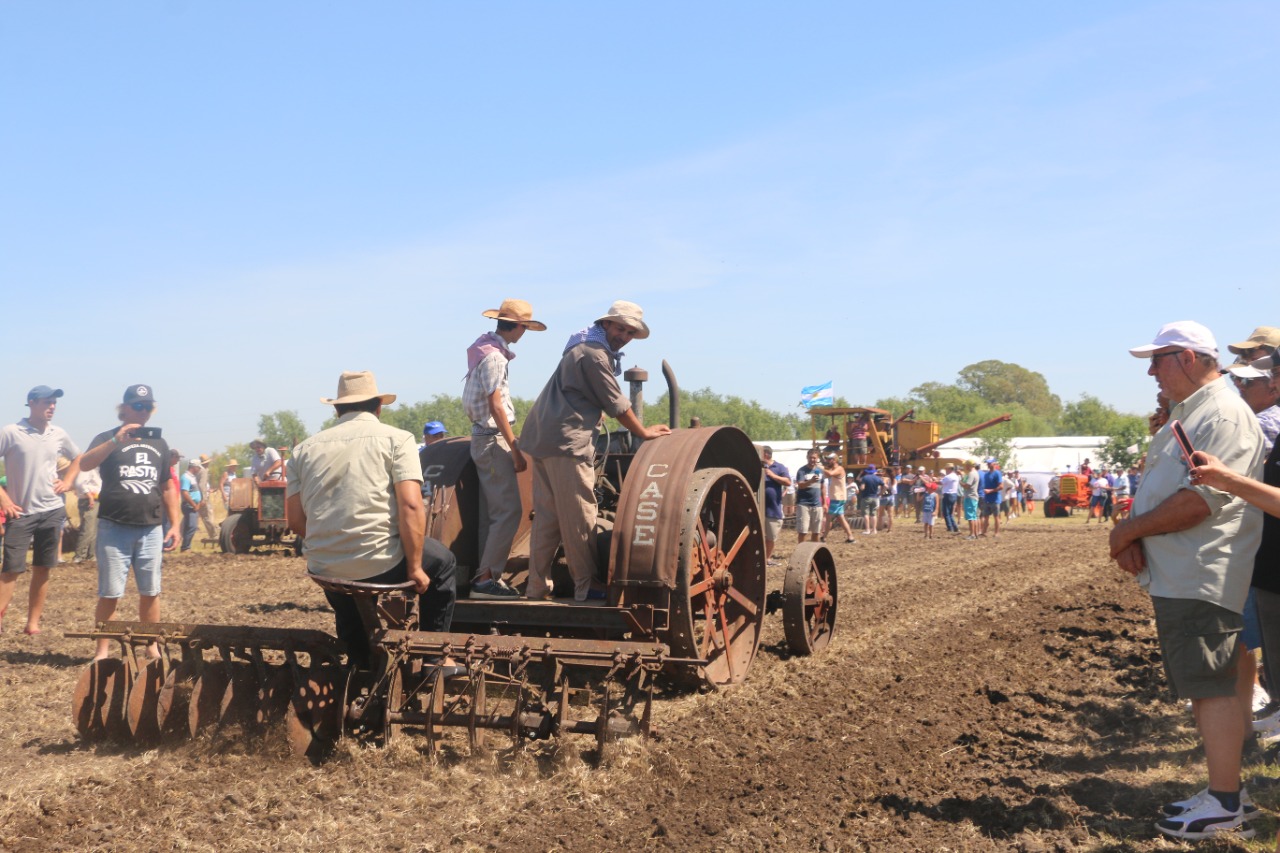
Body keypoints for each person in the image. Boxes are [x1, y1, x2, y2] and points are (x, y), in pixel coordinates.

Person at [1109, 321, 1265, 840]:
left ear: (1190, 358)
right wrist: (1136, 531)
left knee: (1210, 687)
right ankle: (1226, 793)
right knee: (1209, 683)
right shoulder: (1194, 411)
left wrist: (1130, 530)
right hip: (1185, 569)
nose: (1151, 371)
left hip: (1200, 571)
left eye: (1158, 359)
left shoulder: (1221, 414)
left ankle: (1225, 804)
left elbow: (1201, 501)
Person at [285, 371, 457, 669]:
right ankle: (434, 657)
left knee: (345, 593)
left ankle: (359, 661)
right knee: (442, 562)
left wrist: (333, 543)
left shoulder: (302, 450)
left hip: (324, 567)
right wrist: (415, 567)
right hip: (382, 563)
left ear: (337, 410)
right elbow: (411, 506)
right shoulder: (398, 440)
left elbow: (296, 521)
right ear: (378, 407)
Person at [520, 301, 671, 601]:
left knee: (548, 518)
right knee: (581, 513)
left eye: (630, 332)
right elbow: (617, 404)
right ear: (606, 324)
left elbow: (586, 394)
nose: (623, 336)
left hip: (543, 437)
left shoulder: (580, 345)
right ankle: (585, 584)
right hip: (568, 441)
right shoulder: (595, 354)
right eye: (620, 328)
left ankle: (536, 586)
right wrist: (642, 432)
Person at [76, 384, 180, 660]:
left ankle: (151, 645)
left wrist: (175, 524)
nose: (143, 411)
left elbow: (167, 486)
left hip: (151, 528)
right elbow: (84, 464)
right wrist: (115, 441)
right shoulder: (106, 438)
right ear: (123, 409)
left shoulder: (159, 443)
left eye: (148, 407)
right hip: (114, 526)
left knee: (151, 591)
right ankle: (102, 650)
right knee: (110, 592)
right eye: (137, 406)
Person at [463, 299, 545, 599]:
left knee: (493, 514)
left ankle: (484, 575)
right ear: (519, 327)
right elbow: (496, 405)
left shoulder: (483, 347)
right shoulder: (495, 357)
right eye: (525, 328)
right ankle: (485, 580)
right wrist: (515, 447)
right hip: (492, 438)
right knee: (510, 511)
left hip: (481, 436)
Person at [0, 386, 81, 635]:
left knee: (43, 567)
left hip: (52, 510)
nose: (52, 407)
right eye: (47, 402)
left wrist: (68, 481)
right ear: (32, 403)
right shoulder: (11, 432)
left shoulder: (58, 434)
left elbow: (79, 457)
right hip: (20, 512)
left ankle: (32, 623)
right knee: (11, 569)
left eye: (54, 402)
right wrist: (4, 499)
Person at [760, 446, 791, 564]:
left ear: (766, 455)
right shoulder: (757, 466)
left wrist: (772, 475)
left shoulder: (779, 467)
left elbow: (788, 482)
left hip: (773, 508)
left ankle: (767, 558)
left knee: (771, 536)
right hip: (758, 508)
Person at [792, 448, 824, 543]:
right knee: (803, 531)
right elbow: (800, 485)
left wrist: (825, 503)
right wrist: (811, 481)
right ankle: (801, 550)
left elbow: (823, 487)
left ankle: (815, 550)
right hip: (804, 503)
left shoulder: (820, 471)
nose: (812, 460)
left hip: (817, 504)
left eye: (814, 458)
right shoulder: (802, 471)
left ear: (817, 458)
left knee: (816, 532)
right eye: (810, 457)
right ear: (807, 457)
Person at [72, 464, 102, 563]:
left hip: (98, 499)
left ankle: (91, 556)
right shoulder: (88, 466)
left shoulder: (99, 468)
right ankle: (79, 556)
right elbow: (79, 483)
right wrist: (89, 496)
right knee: (88, 528)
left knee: (94, 529)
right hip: (89, 500)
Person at [821, 452, 854, 543]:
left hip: (837, 497)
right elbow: (826, 474)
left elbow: (830, 474)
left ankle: (824, 537)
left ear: (835, 460)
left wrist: (821, 467)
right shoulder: (833, 469)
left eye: (829, 459)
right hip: (837, 497)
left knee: (828, 517)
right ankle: (850, 537)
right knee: (840, 518)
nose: (827, 461)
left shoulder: (839, 469)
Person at [179, 460, 203, 551]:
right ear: (194, 467)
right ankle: (185, 547)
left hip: (193, 506)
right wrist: (194, 505)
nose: (199, 469)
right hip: (189, 506)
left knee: (190, 526)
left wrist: (199, 502)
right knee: (192, 526)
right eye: (198, 467)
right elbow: (185, 493)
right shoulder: (185, 477)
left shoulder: (192, 477)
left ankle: (186, 546)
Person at [195, 454, 217, 541]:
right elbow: (201, 486)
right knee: (206, 517)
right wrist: (203, 498)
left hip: (199, 496)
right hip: (202, 498)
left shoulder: (199, 470)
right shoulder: (203, 471)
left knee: (192, 516)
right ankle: (213, 535)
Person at [979, 458, 1002, 538]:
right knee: (986, 516)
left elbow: (1001, 486)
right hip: (987, 499)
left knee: (996, 517)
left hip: (995, 499)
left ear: (994, 463)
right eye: (988, 463)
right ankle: (984, 531)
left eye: (990, 463)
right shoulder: (986, 474)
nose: (988, 464)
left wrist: (990, 491)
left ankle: (996, 533)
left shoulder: (997, 473)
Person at [859, 464, 884, 535]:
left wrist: (860, 487)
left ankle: (867, 530)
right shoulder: (878, 478)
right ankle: (874, 530)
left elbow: (862, 488)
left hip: (866, 497)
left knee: (866, 514)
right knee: (874, 514)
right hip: (875, 497)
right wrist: (881, 493)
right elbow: (885, 485)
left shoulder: (865, 478)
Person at [961, 460, 981, 539]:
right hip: (973, 496)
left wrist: (961, 483)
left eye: (966, 465)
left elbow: (967, 485)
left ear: (969, 465)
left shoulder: (971, 474)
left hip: (970, 496)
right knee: (974, 516)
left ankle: (972, 534)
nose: (965, 467)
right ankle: (975, 534)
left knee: (970, 516)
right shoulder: (975, 473)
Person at [939, 465, 960, 534]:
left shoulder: (948, 476)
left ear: (949, 469)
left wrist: (933, 480)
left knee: (946, 512)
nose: (946, 470)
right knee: (950, 513)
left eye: (947, 469)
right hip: (954, 494)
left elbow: (941, 482)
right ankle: (955, 527)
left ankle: (950, 527)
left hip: (948, 495)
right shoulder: (955, 476)